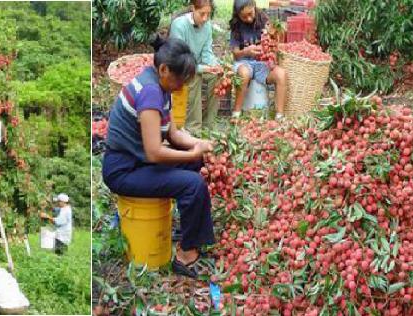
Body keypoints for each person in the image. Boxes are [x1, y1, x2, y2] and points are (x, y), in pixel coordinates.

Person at [102, 35, 216, 279]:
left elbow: (173, 134)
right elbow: (154, 152)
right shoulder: (152, 92)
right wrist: (193, 153)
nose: (182, 86)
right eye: (180, 79)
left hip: (137, 159)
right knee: (194, 185)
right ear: (164, 69)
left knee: (195, 161)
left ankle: (185, 223)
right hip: (124, 170)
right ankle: (185, 253)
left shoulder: (159, 83)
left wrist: (200, 145)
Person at [169, 0, 223, 134]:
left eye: (208, 14)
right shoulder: (179, 25)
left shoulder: (207, 26)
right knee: (194, 78)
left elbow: (206, 53)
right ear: (193, 8)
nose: (205, 18)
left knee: (217, 77)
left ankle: (209, 124)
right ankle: (194, 128)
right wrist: (200, 69)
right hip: (180, 66)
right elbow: (179, 58)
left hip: (197, 65)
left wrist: (215, 65)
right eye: (202, 14)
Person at [229, 0, 288, 119]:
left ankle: (279, 116)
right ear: (238, 15)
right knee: (244, 73)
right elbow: (235, 53)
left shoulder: (264, 20)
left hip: (262, 64)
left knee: (281, 74)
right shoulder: (237, 26)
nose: (249, 18)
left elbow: (277, 41)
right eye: (244, 17)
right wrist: (246, 51)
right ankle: (236, 114)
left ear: (254, 7)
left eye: (251, 13)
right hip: (244, 63)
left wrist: (273, 35)